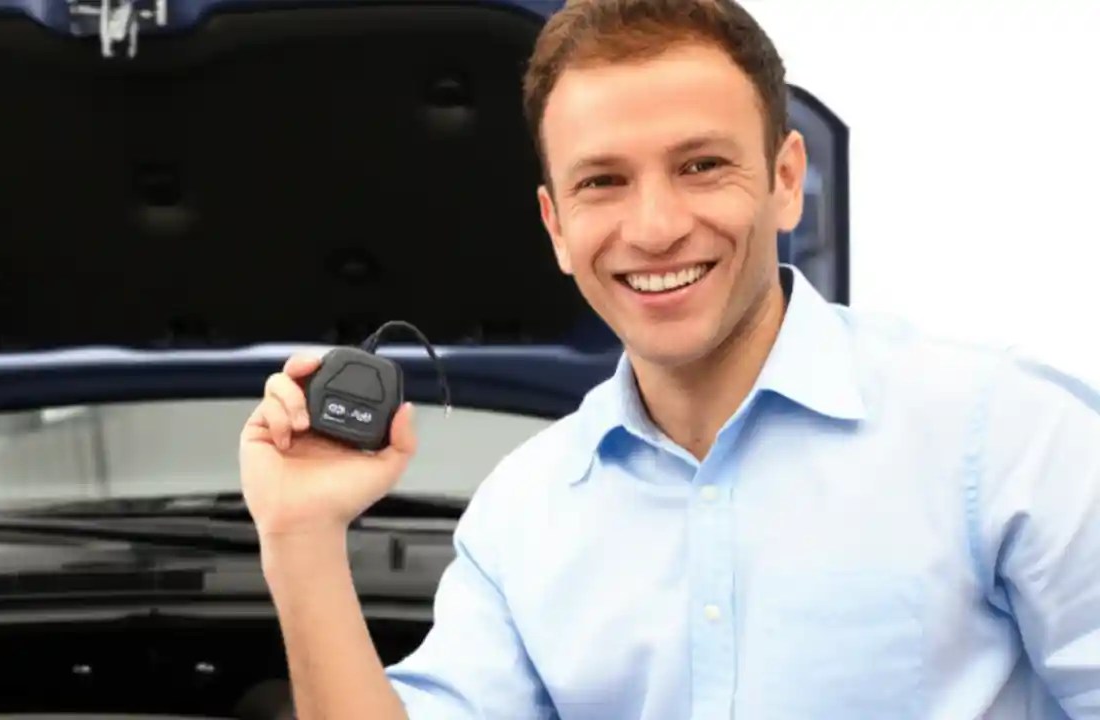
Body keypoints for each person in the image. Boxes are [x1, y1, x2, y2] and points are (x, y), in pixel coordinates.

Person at [237, 0, 1100, 717]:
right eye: (602, 181)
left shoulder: (1009, 437)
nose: (654, 228)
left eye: (700, 165)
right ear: (556, 227)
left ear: (787, 179)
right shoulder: (521, 518)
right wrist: (302, 539)